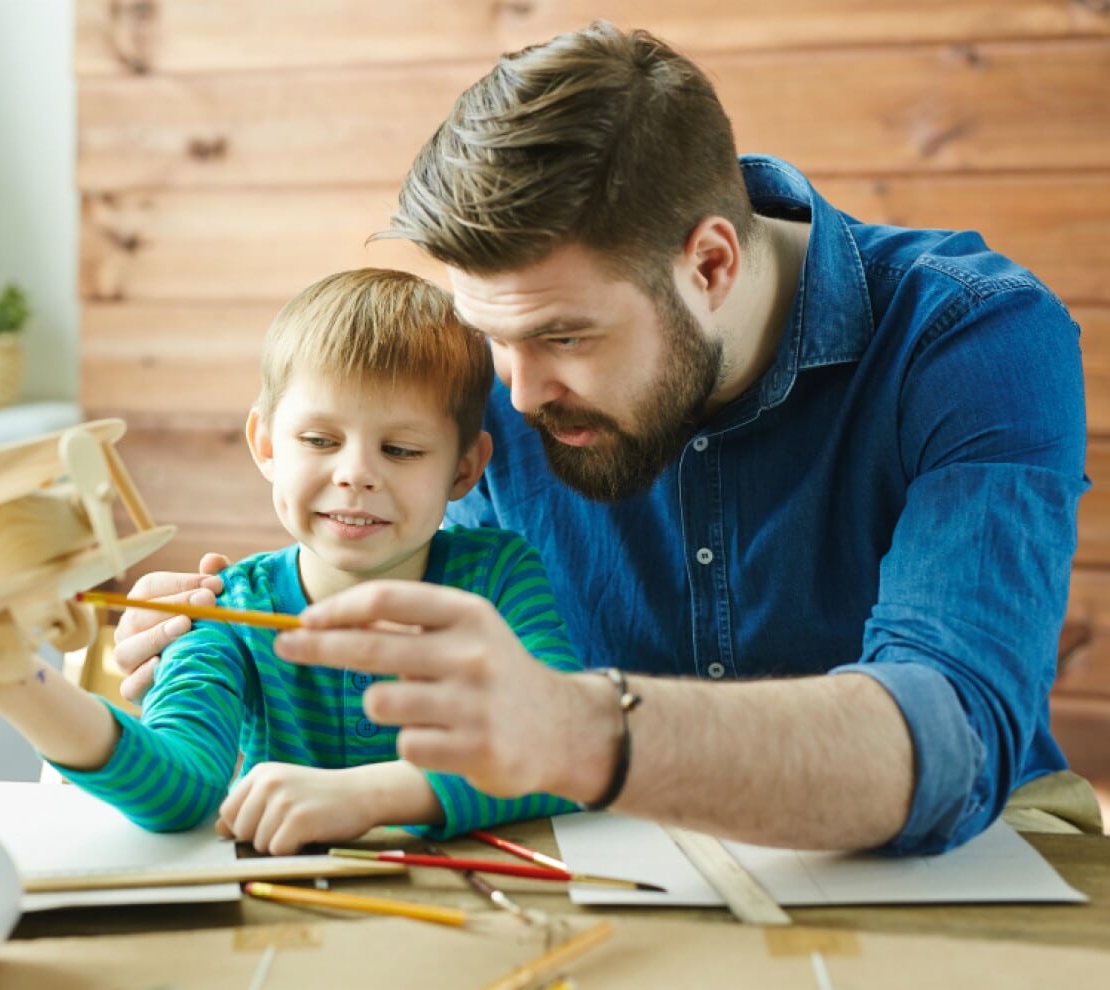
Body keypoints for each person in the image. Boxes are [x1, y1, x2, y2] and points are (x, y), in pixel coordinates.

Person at [115, 23, 1101, 855]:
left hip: (968, 865)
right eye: (492, 335)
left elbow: (956, 739)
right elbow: (406, 652)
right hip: (596, 856)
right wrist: (217, 642)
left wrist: (586, 731)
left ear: (710, 262)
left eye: (564, 336)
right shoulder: (503, 375)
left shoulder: (974, 339)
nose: (518, 390)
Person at [0, 268, 583, 854]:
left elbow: (567, 747)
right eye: (319, 441)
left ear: (463, 470)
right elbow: (180, 792)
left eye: (402, 449)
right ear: (265, 444)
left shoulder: (500, 577)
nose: (355, 472)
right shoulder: (221, 610)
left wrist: (374, 795)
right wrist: (5, 679)